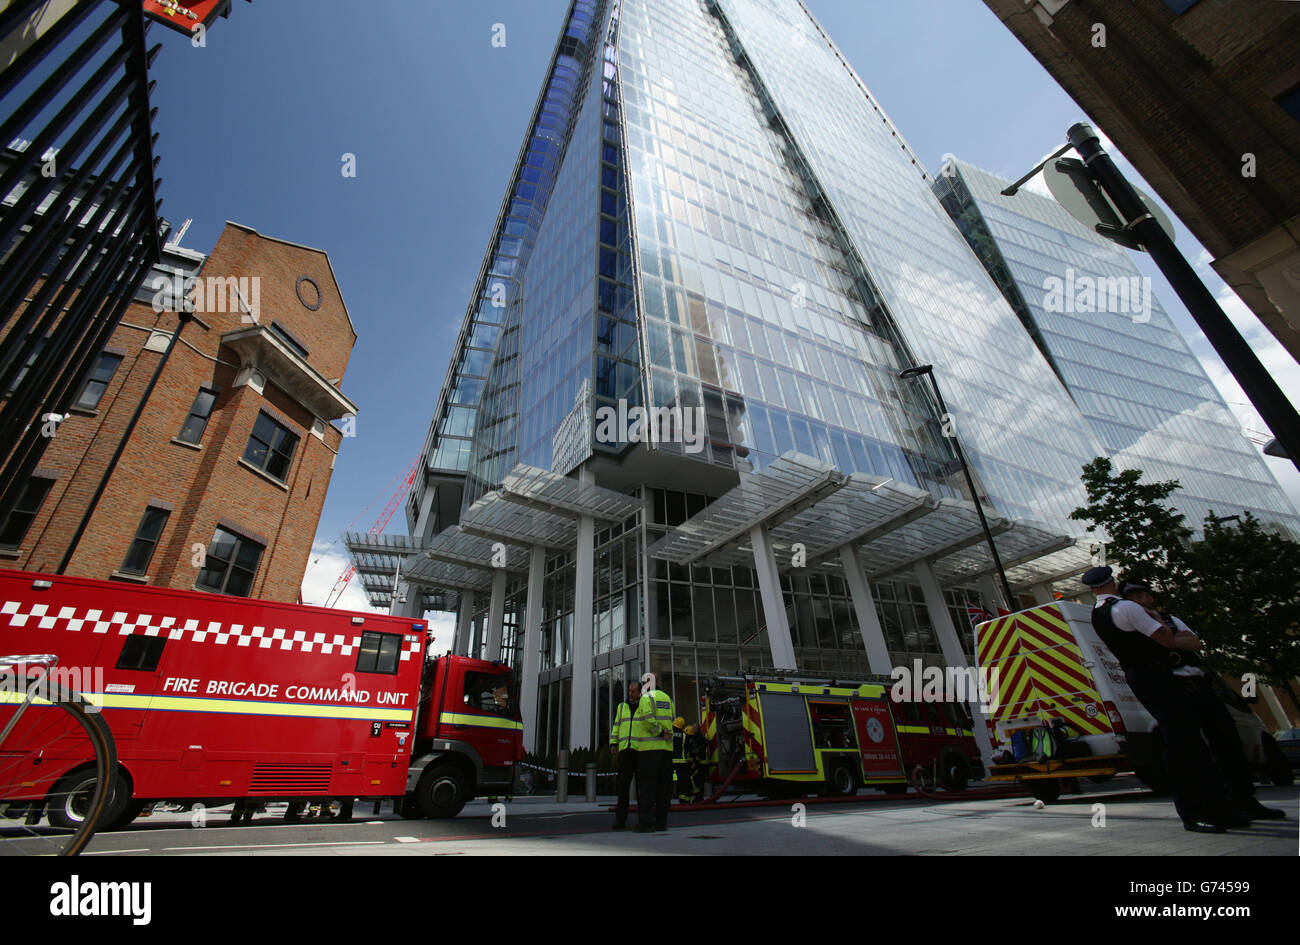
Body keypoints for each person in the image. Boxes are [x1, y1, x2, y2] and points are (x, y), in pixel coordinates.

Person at [1081, 566, 1284, 832]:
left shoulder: (1100, 614)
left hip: (1173, 680)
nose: (1141, 601)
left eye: (1144, 595)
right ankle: (1198, 810)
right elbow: (1168, 640)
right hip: (1164, 679)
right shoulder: (1126, 610)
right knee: (1187, 747)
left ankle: (1225, 806)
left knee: (1212, 742)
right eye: (1136, 596)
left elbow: (1190, 643)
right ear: (1115, 584)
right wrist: (1163, 628)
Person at [633, 675, 675, 833]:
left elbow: (647, 719)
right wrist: (665, 733)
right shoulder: (667, 698)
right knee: (663, 788)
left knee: (646, 788)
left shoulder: (645, 698)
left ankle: (646, 823)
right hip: (666, 749)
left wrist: (658, 732)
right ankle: (661, 822)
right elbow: (671, 719)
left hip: (649, 749)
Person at [609, 680, 640, 830]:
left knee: (641, 787)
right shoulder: (622, 707)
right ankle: (620, 820)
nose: (630, 693)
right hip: (625, 751)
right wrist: (613, 743)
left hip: (640, 750)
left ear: (640, 692)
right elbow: (616, 726)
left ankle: (643, 819)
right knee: (622, 787)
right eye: (629, 691)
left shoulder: (644, 706)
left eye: (633, 691)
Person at [683, 723, 710, 802]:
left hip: (701, 764)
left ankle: (698, 796)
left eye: (694, 728)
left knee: (692, 777)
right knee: (698, 780)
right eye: (692, 728)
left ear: (698, 729)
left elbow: (699, 752)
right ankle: (699, 797)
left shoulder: (700, 739)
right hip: (700, 763)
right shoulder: (696, 737)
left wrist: (695, 762)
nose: (692, 730)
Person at [671, 717, 691, 803]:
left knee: (667, 780)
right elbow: (687, 748)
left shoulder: (670, 734)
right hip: (682, 761)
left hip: (671, 760)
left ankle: (667, 798)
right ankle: (683, 799)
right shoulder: (684, 735)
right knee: (682, 781)